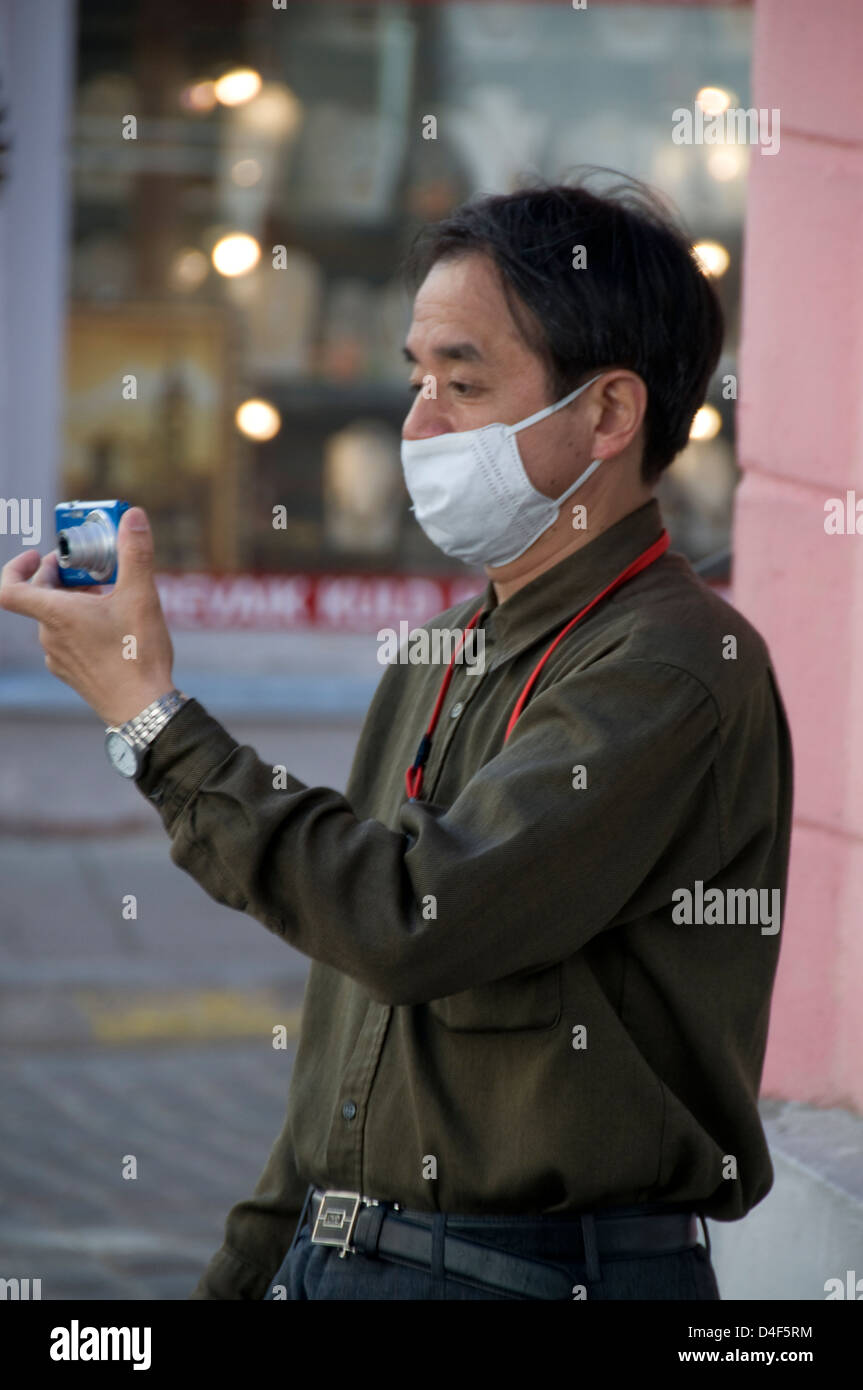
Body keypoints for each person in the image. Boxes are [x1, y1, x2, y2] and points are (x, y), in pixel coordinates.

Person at [0, 176, 793, 1301]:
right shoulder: (448, 644)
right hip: (348, 1257)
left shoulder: (668, 667)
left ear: (609, 415)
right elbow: (354, 1018)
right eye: (417, 378)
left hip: (524, 1275)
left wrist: (150, 716)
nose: (416, 423)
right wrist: (247, 1267)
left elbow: (404, 920)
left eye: (461, 384)